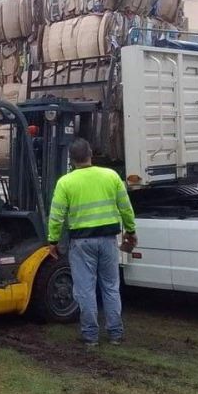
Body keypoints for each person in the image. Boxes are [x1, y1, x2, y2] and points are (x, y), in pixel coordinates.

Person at [47, 138, 137, 348]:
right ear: (90, 154)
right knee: (111, 287)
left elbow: (56, 216)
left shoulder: (65, 182)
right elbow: (125, 207)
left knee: (85, 290)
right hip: (108, 241)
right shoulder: (111, 176)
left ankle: (90, 336)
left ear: (71, 159)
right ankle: (115, 333)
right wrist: (130, 231)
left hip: (81, 243)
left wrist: (52, 241)